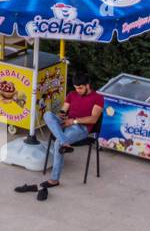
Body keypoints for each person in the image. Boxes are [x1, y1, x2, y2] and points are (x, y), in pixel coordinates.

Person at [16, 70, 104, 201]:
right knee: (47, 115)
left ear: (87, 85)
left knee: (57, 142)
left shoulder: (98, 98)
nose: (78, 90)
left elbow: (93, 119)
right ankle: (65, 142)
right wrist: (62, 117)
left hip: (81, 127)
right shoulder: (72, 94)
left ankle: (54, 179)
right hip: (66, 123)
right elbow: (64, 110)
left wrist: (73, 121)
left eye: (80, 88)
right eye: (76, 88)